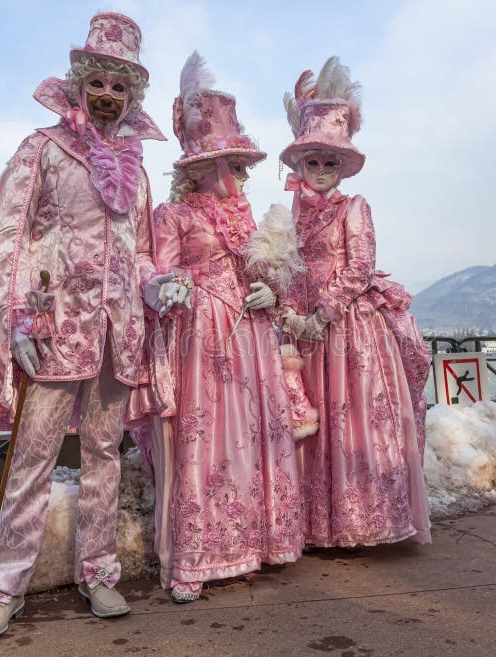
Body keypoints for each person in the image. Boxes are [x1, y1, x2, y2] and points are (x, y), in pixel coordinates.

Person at [0, 12, 171, 640]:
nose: (108, 95)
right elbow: (11, 236)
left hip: (117, 331)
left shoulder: (139, 168)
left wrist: (154, 283)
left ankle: (98, 569)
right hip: (54, 327)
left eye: (120, 87)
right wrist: (17, 314)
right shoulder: (41, 149)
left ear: (131, 96)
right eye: (99, 82)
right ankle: (4, 585)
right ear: (80, 85)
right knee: (33, 456)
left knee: (105, 451)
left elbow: (140, 248)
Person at [147, 52, 303, 603]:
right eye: (232, 166)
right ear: (201, 168)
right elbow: (159, 273)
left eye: (242, 167)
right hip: (203, 338)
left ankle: (257, 540)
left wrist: (272, 288)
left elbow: (268, 271)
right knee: (207, 440)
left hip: (252, 336)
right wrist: (175, 286)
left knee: (252, 438)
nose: (241, 177)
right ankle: (200, 553)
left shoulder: (247, 219)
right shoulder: (174, 216)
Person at [279, 57, 432, 548]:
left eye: (330, 162)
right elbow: (288, 268)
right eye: (313, 161)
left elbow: (360, 267)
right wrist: (293, 317)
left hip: (348, 329)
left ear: (342, 167)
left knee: (353, 421)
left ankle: (363, 519)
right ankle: (318, 525)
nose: (321, 170)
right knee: (316, 423)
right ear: (301, 165)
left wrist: (322, 313)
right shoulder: (292, 214)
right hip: (306, 333)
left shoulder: (355, 207)